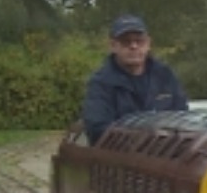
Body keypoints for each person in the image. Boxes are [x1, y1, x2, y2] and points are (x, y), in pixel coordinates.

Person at [81, 14, 188, 144]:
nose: (134, 46)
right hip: (120, 157)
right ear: (113, 46)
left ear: (148, 44)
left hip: (165, 154)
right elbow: (97, 130)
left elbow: (183, 119)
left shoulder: (165, 75)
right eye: (126, 41)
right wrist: (143, 136)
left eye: (139, 41)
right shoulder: (101, 83)